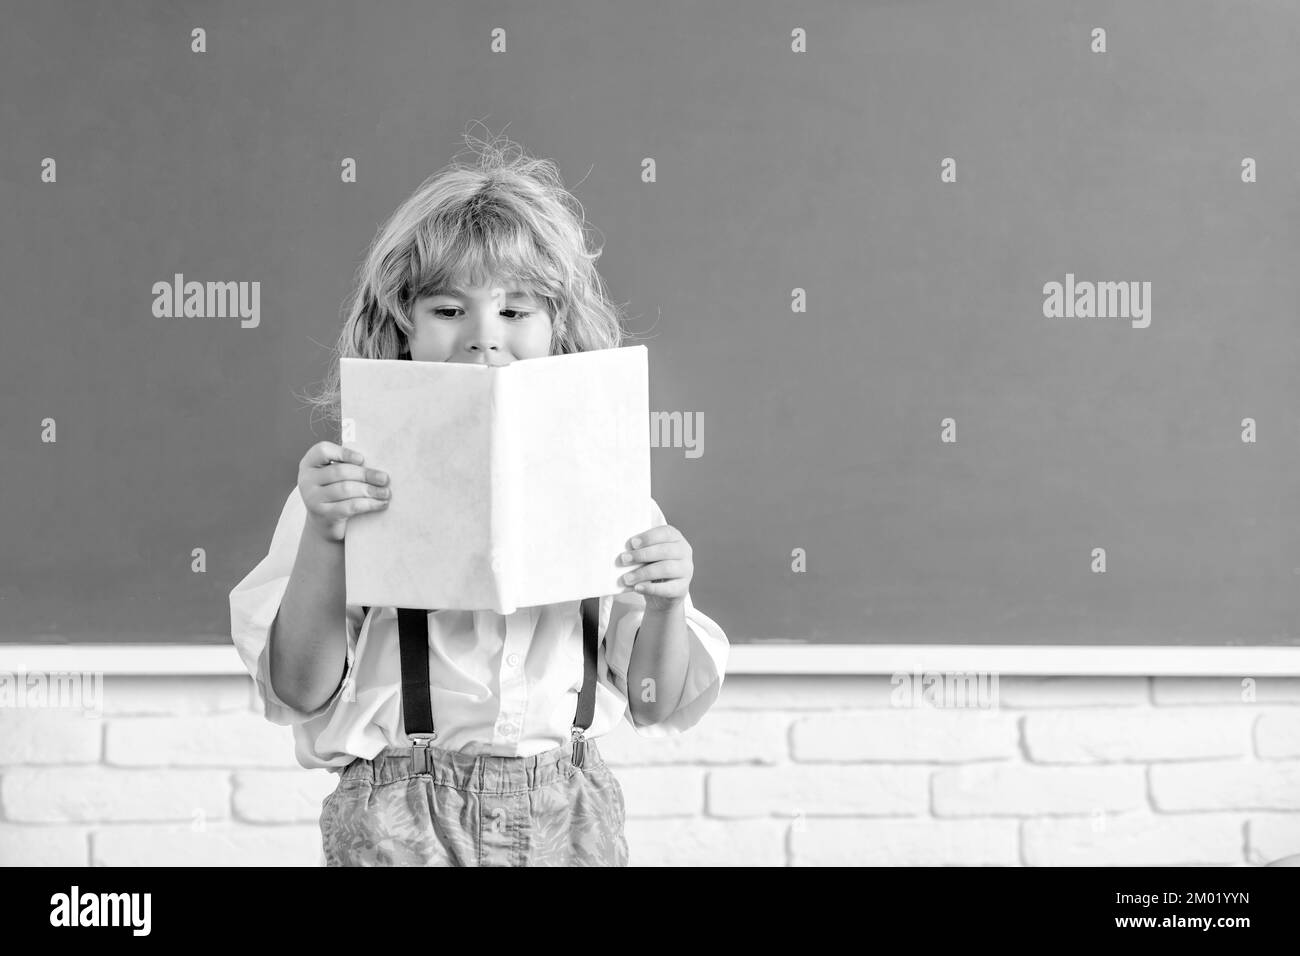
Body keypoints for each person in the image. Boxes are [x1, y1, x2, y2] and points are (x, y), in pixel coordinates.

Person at [228, 129, 729, 866]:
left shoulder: (606, 482)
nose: (483, 340)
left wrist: (665, 604)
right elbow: (300, 691)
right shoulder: (344, 488)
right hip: (398, 815)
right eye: (448, 309)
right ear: (403, 326)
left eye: (516, 310)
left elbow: (654, 701)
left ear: (560, 329)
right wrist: (326, 538)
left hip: (568, 814)